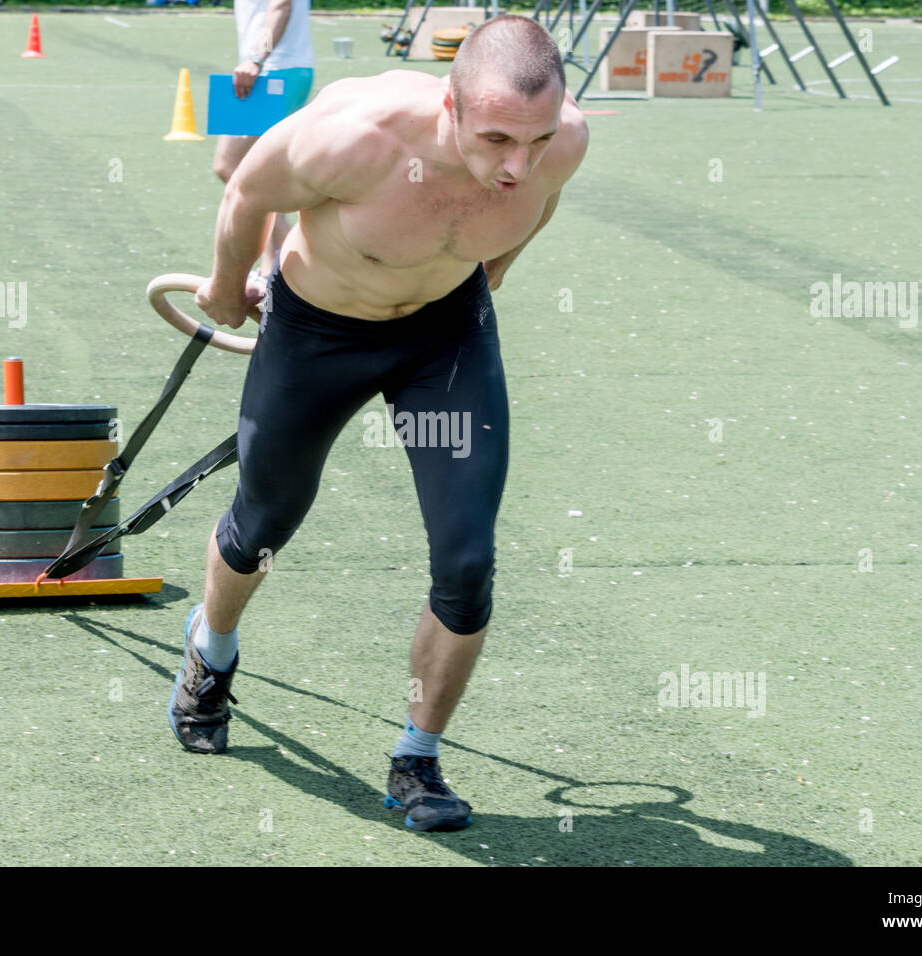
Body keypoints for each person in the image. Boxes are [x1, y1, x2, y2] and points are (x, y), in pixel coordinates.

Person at [169, 15, 588, 832]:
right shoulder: (353, 133)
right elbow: (246, 191)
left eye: (534, 140)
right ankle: (210, 651)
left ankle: (418, 758)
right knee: (264, 522)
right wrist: (229, 287)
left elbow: (533, 210)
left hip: (444, 337)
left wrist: (489, 274)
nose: (517, 163)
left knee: (467, 560)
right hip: (318, 333)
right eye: (497, 137)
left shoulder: (560, 144)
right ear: (448, 105)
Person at [214, 0, 314, 288]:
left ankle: (295, 255)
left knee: (229, 165)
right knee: (258, 174)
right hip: (282, 69)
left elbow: (281, 5)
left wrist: (257, 58)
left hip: (273, 71)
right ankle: (276, 264)